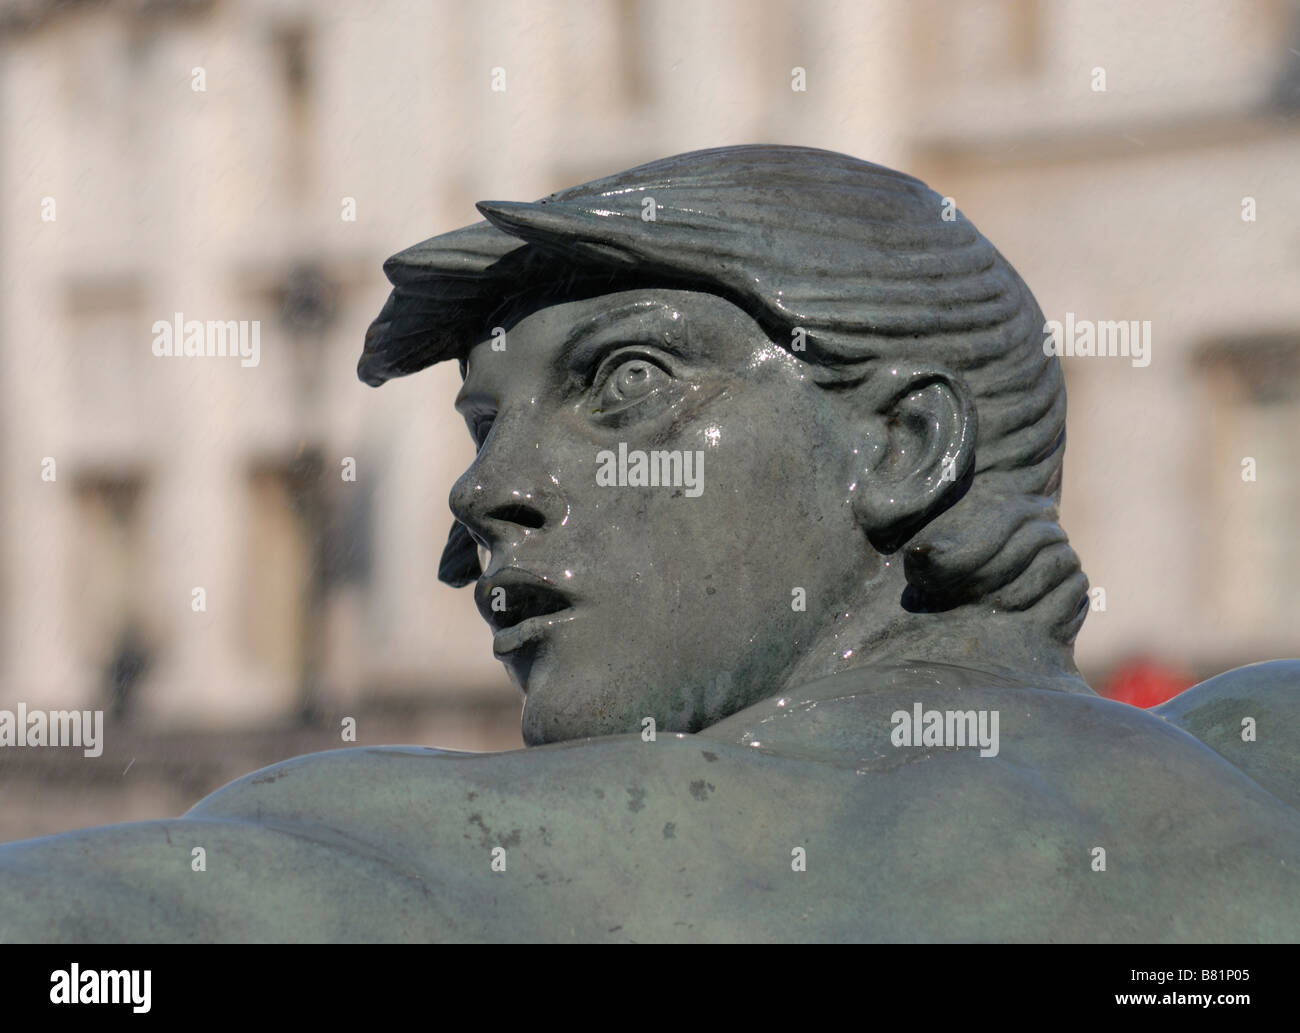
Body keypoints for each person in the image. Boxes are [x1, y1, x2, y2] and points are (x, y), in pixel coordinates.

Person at [1, 146, 1296, 942]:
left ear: (905, 446)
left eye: (625, 382)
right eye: (481, 426)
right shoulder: (1254, 757)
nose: (481, 500)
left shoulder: (480, 850)